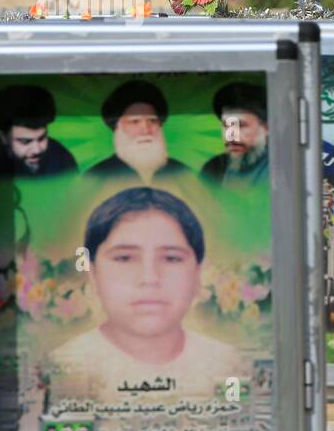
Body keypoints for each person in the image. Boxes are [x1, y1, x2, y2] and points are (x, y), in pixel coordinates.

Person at [45, 186, 245, 406]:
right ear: (92, 273)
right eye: (124, 258)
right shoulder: (65, 367)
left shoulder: (228, 365)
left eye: (171, 259)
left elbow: (238, 419)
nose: (150, 278)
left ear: (198, 273)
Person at [86, 81, 192, 184]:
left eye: (152, 121)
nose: (146, 130)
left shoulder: (183, 173)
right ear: (118, 128)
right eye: (135, 122)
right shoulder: (96, 176)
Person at [0, 84, 78, 178]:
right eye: (25, 142)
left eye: (42, 138)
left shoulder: (62, 159)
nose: (36, 150)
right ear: (4, 137)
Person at [201, 82, 269, 188]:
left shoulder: (279, 169)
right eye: (226, 125)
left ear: (266, 128)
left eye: (241, 125)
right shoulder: (213, 170)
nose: (231, 136)